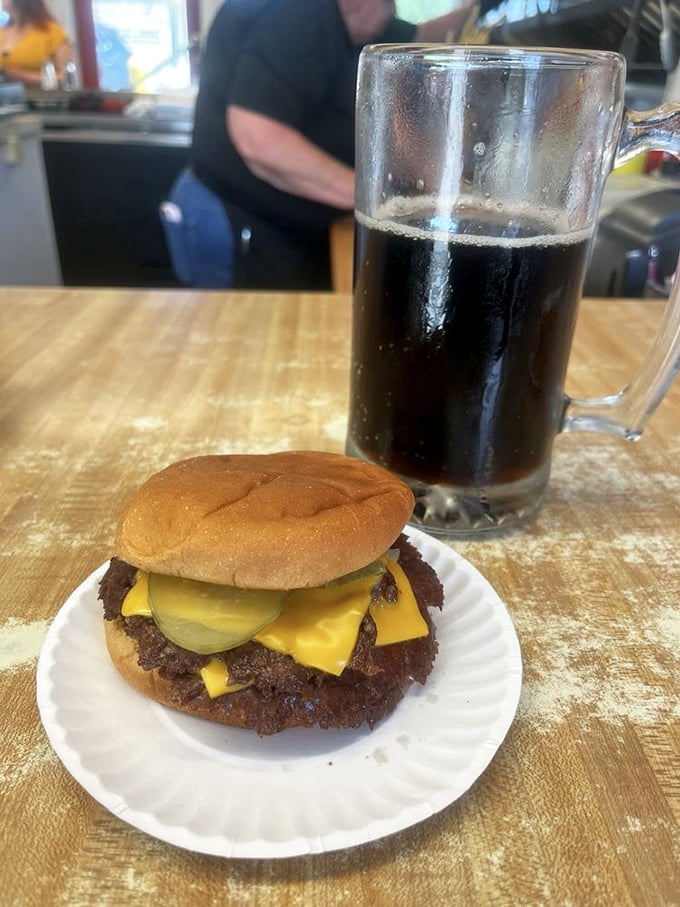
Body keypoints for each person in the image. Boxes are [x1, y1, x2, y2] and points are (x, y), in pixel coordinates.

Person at [168, 0, 475, 290]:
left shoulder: (346, 21)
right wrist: (378, 203)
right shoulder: (302, 11)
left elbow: (421, 36)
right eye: (385, 6)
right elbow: (259, 137)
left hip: (259, 218)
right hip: (235, 216)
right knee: (243, 338)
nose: (387, 18)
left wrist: (480, 9)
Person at [0, 0, 73, 87]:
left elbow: (64, 77)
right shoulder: (2, 32)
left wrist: (27, 76)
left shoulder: (52, 32)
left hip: (39, 97)